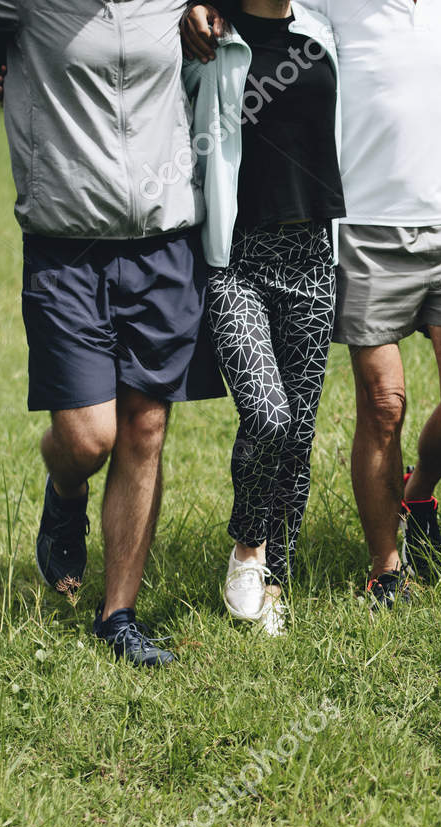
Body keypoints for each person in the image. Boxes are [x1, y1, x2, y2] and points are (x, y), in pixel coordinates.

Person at [185, 0, 441, 611]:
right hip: (305, 245)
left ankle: (390, 509)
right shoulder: (289, 18)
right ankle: (330, 564)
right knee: (335, 409)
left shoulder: (334, 26)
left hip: (389, 241)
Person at [0, 0, 222, 665]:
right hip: (66, 246)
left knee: (145, 427)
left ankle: (119, 616)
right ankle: (65, 490)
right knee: (89, 437)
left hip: (164, 244)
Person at [184, 0, 343, 635]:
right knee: (268, 415)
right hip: (239, 260)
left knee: (298, 435)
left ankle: (276, 581)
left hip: (314, 257)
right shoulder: (209, 40)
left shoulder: (321, 31)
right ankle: (248, 551)